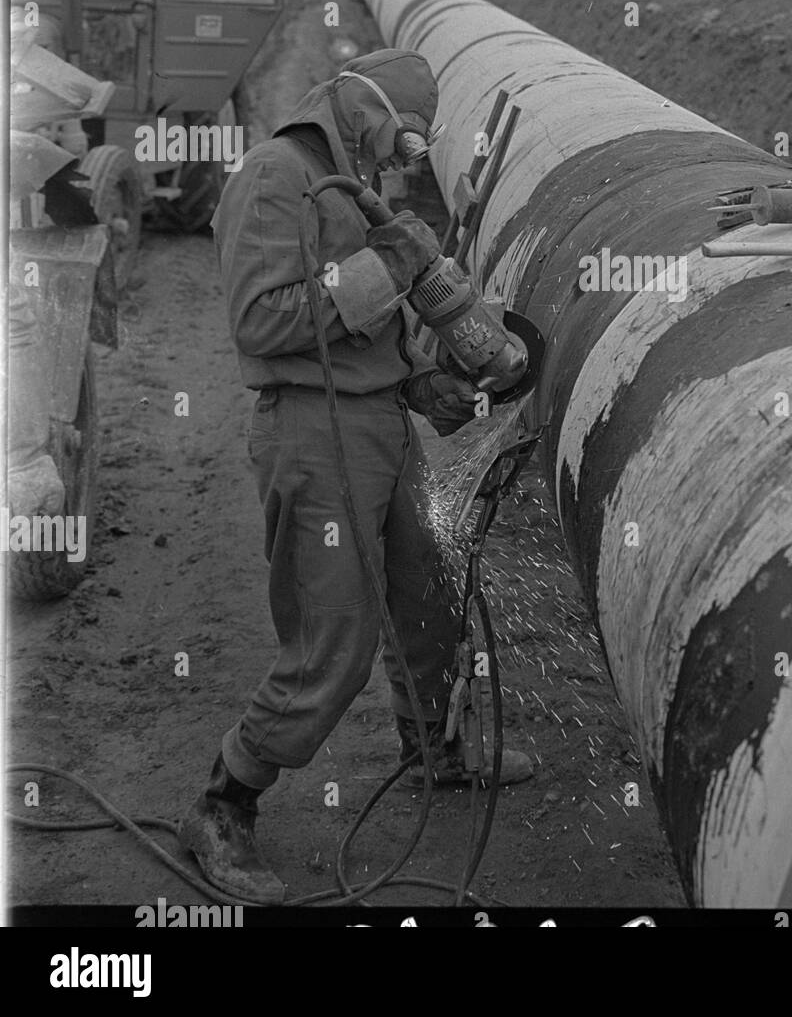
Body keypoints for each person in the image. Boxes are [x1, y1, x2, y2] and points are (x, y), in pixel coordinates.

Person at [178, 49, 533, 905]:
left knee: (428, 586)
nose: (400, 159)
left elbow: (371, 341)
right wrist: (388, 270)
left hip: (377, 423)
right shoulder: (274, 175)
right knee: (334, 640)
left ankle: (431, 748)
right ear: (357, 105)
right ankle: (224, 802)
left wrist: (431, 383)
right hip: (311, 430)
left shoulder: (355, 189)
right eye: (400, 136)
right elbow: (263, 323)